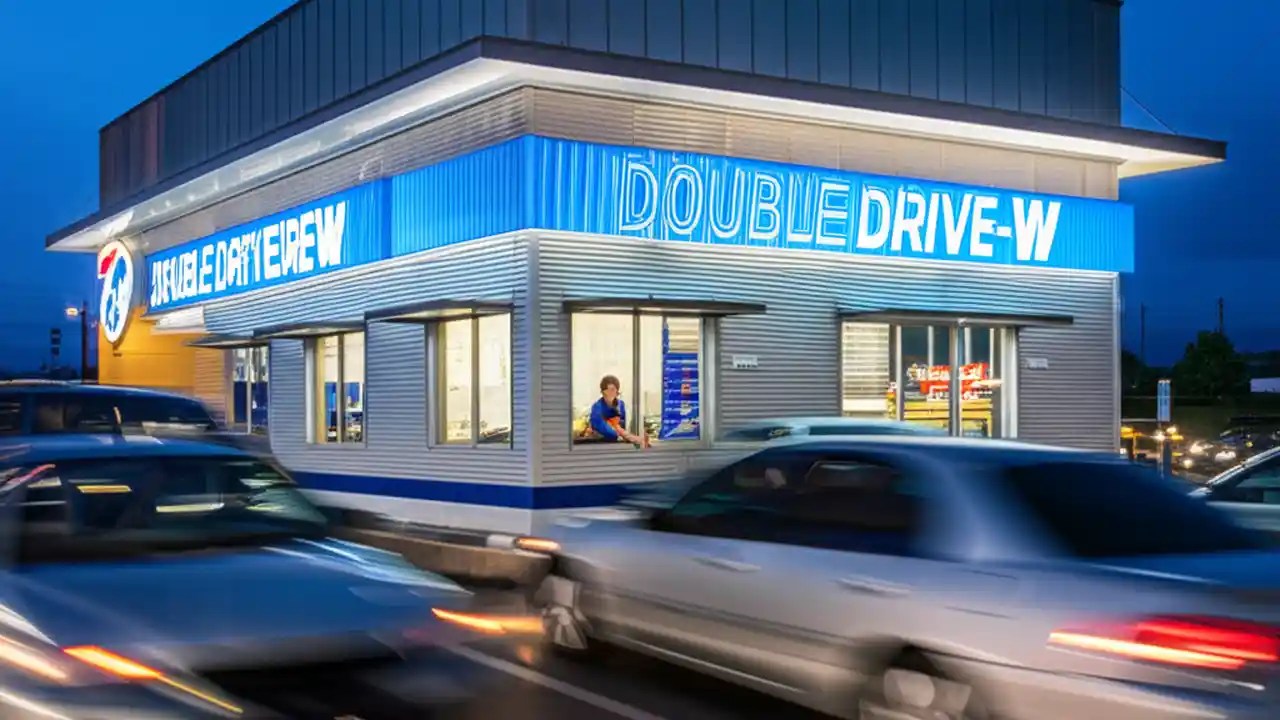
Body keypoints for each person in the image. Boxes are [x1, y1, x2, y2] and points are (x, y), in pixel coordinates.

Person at [588, 375, 648, 447]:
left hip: (620, 442)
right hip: (602, 442)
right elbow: (599, 424)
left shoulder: (621, 405)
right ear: (602, 392)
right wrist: (618, 433)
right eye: (607, 390)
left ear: (617, 391)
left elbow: (625, 423)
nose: (609, 393)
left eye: (612, 390)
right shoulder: (597, 407)